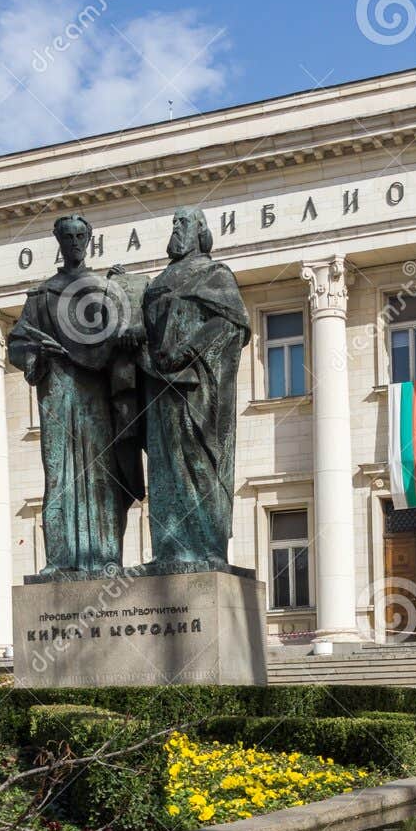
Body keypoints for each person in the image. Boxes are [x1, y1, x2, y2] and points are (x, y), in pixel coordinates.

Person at [7, 215, 142, 575]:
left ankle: (106, 556)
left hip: (98, 395)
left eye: (80, 235)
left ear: (89, 238)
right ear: (59, 241)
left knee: (103, 475)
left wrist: (126, 334)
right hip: (58, 393)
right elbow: (18, 343)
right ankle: (61, 560)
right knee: (59, 474)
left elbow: (124, 337)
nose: (75, 242)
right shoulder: (41, 296)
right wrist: (38, 352)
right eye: (67, 237)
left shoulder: (105, 290)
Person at [139, 207, 250, 570]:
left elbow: (232, 325)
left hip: (197, 388)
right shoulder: (158, 282)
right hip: (160, 386)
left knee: (198, 459)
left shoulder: (215, 275)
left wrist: (187, 350)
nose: (176, 228)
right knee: (163, 465)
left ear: (200, 231)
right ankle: (169, 551)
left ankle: (206, 548)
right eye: (174, 222)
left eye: (183, 223)